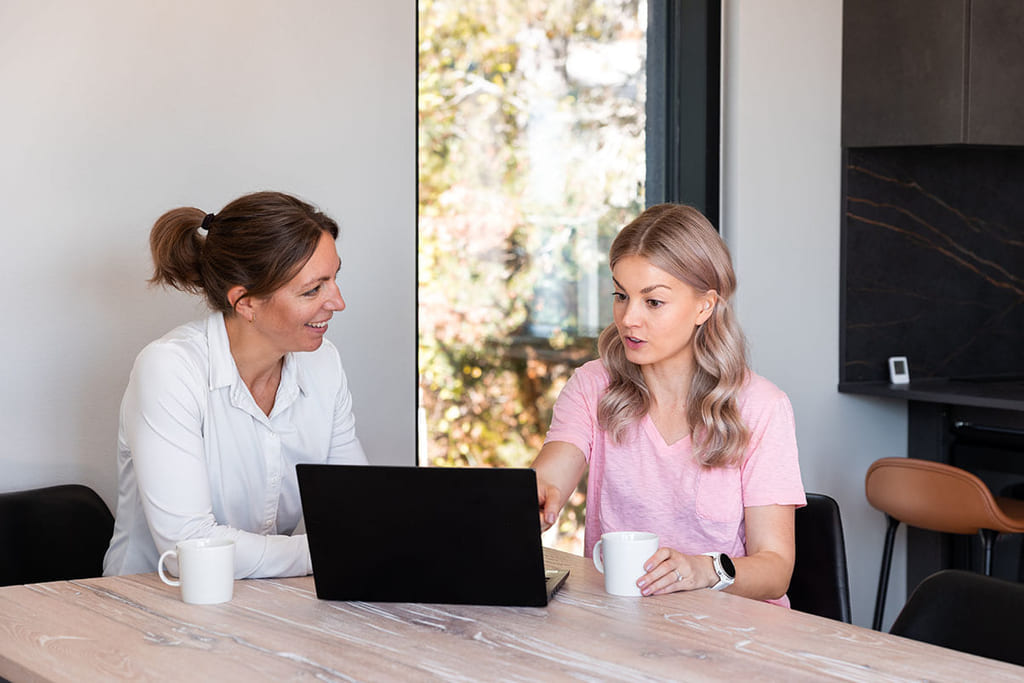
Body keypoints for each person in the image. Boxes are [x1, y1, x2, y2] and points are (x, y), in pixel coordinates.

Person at [533, 204, 805, 605]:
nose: (628, 319)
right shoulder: (593, 385)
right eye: (621, 296)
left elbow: (775, 570)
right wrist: (537, 496)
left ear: (704, 306)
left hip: (733, 633)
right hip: (623, 622)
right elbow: (551, 473)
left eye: (653, 302)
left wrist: (703, 570)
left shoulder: (762, 407)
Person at [103, 191, 368, 579]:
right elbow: (188, 550)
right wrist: (327, 551)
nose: (338, 302)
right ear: (245, 303)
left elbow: (356, 507)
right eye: (313, 289)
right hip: (149, 607)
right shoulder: (169, 368)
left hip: (259, 602)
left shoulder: (323, 363)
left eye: (334, 279)